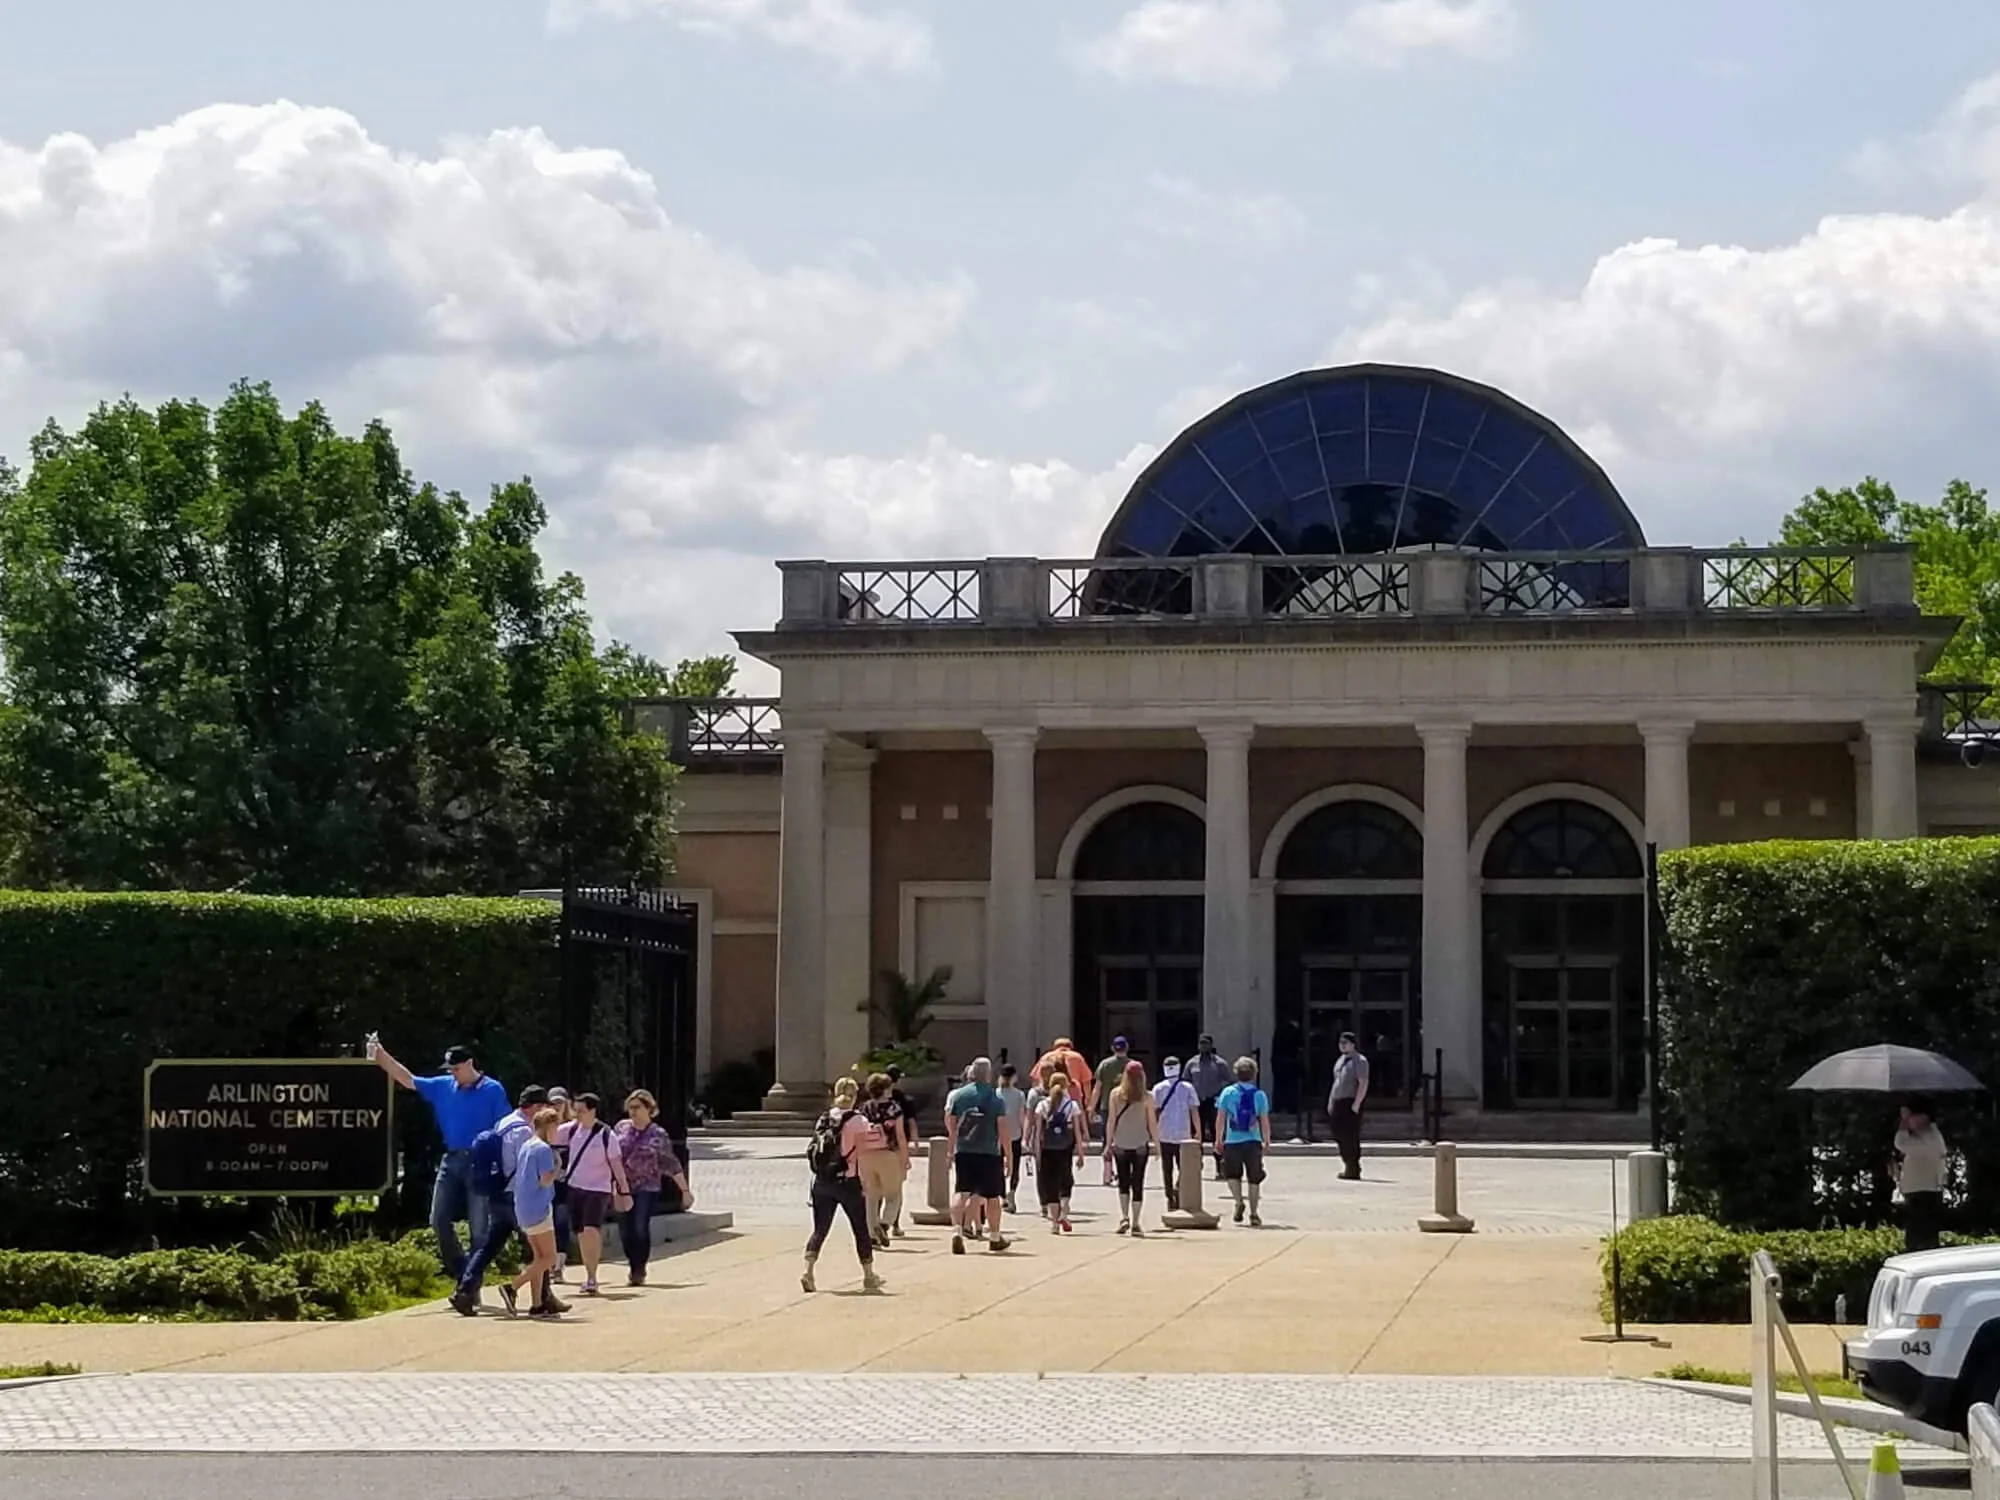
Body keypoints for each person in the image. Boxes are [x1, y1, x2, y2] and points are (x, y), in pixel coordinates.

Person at [366, 1038, 510, 1285]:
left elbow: (505, 1128)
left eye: (456, 1069)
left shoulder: (493, 1089)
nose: (453, 1074)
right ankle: (463, 1270)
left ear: (469, 1064)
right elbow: (408, 1079)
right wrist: (380, 1055)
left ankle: (468, 1286)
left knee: (479, 1229)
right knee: (438, 1219)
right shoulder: (444, 1086)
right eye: (450, 1070)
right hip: (452, 1159)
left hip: (482, 1162)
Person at [449, 1083, 547, 1316]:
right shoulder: (524, 1130)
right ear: (535, 1107)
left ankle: (464, 1292)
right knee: (541, 1249)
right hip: (516, 1197)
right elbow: (525, 1166)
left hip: (497, 1195)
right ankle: (542, 1298)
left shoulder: (504, 1122)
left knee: (488, 1247)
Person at [803, 1076, 885, 1293]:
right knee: (860, 1228)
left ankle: (808, 1271)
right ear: (855, 1096)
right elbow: (876, 1143)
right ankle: (868, 1275)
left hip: (821, 1181)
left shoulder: (823, 1119)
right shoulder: (858, 1120)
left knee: (820, 1229)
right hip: (848, 1180)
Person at [558, 1092, 632, 1297]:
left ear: (593, 1111)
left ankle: (592, 1276)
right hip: (575, 1188)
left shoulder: (607, 1135)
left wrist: (624, 1192)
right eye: (576, 1110)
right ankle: (589, 1272)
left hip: (598, 1189)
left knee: (591, 1229)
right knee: (581, 1232)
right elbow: (547, 1134)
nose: (578, 1115)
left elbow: (617, 1166)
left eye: (581, 1111)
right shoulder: (571, 1130)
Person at [615, 1090, 690, 1287]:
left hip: (647, 1187)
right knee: (625, 1229)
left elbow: (670, 1163)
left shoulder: (658, 1134)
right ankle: (632, 1262)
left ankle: (638, 1269)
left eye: (637, 1107)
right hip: (623, 1186)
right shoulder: (621, 1129)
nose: (633, 1112)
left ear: (649, 1109)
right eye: (630, 1108)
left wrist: (684, 1190)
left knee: (640, 1227)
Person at [499, 1107, 563, 1318]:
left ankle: (537, 1304)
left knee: (539, 1257)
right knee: (550, 1257)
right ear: (549, 1126)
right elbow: (544, 1180)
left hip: (523, 1207)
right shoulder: (544, 1149)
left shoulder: (527, 1146)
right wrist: (558, 1168)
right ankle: (512, 1287)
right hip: (539, 1207)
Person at [945, 1056, 1012, 1255]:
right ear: (989, 1075)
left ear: (971, 1074)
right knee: (992, 1197)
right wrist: (1008, 1155)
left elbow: (951, 1126)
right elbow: (1003, 1130)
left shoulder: (959, 1096)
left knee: (961, 1190)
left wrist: (952, 1147)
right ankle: (994, 1237)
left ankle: (957, 1231)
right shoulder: (995, 1098)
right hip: (989, 1152)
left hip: (964, 1150)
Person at [1104, 1059, 1161, 1236]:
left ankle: (1124, 1216)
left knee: (1123, 1182)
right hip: (1140, 1144)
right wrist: (1157, 1144)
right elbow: (1152, 1123)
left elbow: (1111, 1121)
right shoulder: (1147, 1097)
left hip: (1121, 1143)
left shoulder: (1115, 1094)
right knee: (1138, 1183)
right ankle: (1136, 1222)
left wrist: (1108, 1143)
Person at [1214, 1056, 1271, 1227]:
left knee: (1232, 1175)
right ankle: (1254, 1213)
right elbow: (1264, 1120)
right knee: (1254, 1178)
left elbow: (1220, 1118)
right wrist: (1266, 1140)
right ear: (1254, 1074)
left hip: (1233, 1140)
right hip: (1253, 1140)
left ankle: (1238, 1201)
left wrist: (1218, 1139)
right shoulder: (1260, 1095)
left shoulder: (1228, 1093)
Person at [1028, 1072, 1087, 1232]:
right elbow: (1077, 1132)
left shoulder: (1042, 1105)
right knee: (1066, 1181)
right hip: (1065, 1149)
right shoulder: (1071, 1105)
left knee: (1051, 1185)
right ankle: (1064, 1212)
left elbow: (1038, 1132)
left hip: (1047, 1150)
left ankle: (1054, 1223)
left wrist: (1037, 1153)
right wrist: (1080, 1153)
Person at [857, 1072, 908, 1249]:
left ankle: (871, 1234)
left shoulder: (864, 1108)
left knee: (871, 1196)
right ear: (885, 1089)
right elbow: (900, 1135)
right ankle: (885, 1224)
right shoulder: (894, 1108)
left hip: (866, 1154)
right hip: (888, 1153)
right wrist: (905, 1157)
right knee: (894, 1195)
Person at [1895, 1099, 1948, 1253]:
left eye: (1909, 1116)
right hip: (1919, 1192)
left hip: (1925, 1194)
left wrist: (1903, 1126)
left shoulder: (1930, 1138)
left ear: (1923, 1117)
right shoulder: (1922, 1135)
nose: (1907, 1121)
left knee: (1921, 1243)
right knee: (1916, 1240)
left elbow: (1900, 1143)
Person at [1151, 1057, 1199, 1213]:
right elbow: (1194, 1111)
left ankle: (1169, 1195)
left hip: (1164, 1133)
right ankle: (1178, 1189)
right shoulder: (1187, 1087)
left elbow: (1154, 1112)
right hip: (1183, 1134)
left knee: (1167, 1168)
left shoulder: (1158, 1088)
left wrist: (1152, 1131)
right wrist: (1198, 1130)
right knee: (1183, 1167)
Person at [1182, 1036, 1233, 1177]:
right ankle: (1196, 1165)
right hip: (1197, 1103)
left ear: (1211, 1045)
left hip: (1213, 1102)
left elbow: (1228, 1081)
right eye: (1201, 1044)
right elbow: (1185, 1082)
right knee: (1197, 1134)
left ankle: (1220, 1166)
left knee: (1217, 1134)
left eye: (1206, 1044)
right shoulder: (1191, 1063)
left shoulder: (1219, 1063)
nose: (1203, 1046)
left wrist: (1220, 1094)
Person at [1327, 1032, 1370, 1181]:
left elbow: (1363, 1082)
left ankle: (1353, 1166)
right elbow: (1336, 1082)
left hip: (1350, 1101)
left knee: (1350, 1135)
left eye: (1346, 1042)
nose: (1343, 1045)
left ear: (1353, 1044)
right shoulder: (1340, 1061)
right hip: (1338, 1101)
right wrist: (1331, 1101)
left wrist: (1357, 1103)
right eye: (1341, 1042)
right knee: (1337, 1132)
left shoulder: (1360, 1061)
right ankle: (1346, 1162)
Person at [884, 1065, 918, 1234]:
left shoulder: (873, 1099)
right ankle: (894, 1223)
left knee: (876, 1189)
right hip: (896, 1146)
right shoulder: (904, 1099)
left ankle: (876, 1223)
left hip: (876, 1146)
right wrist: (915, 1141)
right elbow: (910, 1122)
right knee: (896, 1188)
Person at [997, 1063, 1028, 1214]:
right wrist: (1026, 1135)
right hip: (1015, 1134)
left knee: (998, 1166)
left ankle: (1002, 1195)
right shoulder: (1019, 1095)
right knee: (1014, 1166)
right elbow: (1022, 1116)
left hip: (997, 1136)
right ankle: (1012, 1192)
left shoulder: (995, 1094)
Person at [1090, 1036, 1132, 1125]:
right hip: (1128, 1105)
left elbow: (1097, 1089)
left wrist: (1092, 1108)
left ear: (1112, 1048)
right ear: (1127, 1047)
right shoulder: (1133, 1065)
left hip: (1107, 1106)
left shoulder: (1105, 1064)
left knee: (1107, 1135)